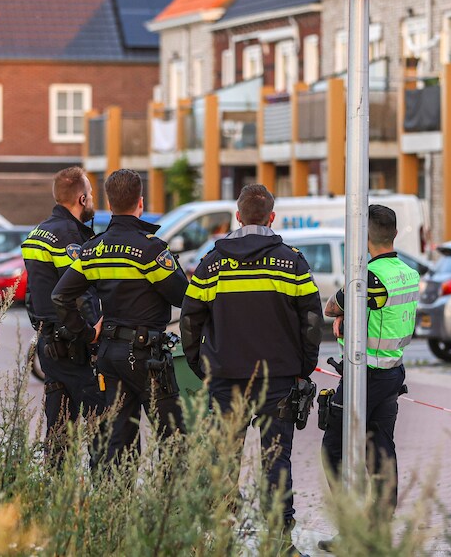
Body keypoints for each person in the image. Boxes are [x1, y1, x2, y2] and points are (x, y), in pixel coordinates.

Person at [180, 184, 323, 543]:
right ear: (272, 218)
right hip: (279, 378)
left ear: (238, 216)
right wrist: (303, 367)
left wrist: (202, 366)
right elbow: (312, 320)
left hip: (226, 378)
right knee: (277, 461)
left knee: (224, 460)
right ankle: (278, 542)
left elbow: (189, 319)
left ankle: (223, 540)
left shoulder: (212, 263)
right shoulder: (292, 262)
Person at [52, 169, 189, 463]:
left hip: (109, 356)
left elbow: (60, 296)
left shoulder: (92, 250)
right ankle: (172, 508)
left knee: (119, 444)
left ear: (109, 203)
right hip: (146, 356)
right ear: (140, 202)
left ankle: (115, 505)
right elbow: (184, 298)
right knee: (174, 441)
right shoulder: (151, 250)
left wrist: (87, 332)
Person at [319, 204, 420, 549]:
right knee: (381, 450)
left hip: (366, 375)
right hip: (392, 372)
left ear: (365, 236)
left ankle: (351, 530)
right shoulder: (407, 272)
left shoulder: (371, 279)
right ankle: (378, 529)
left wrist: (343, 319)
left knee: (334, 448)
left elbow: (331, 307)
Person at [23, 166, 106, 468]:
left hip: (50, 345)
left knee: (58, 428)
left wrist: (45, 329)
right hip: (75, 348)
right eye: (92, 196)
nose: (94, 201)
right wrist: (89, 334)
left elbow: (33, 293)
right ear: (82, 199)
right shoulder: (70, 237)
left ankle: (56, 497)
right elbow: (77, 292)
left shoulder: (38, 233)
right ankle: (106, 498)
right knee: (101, 426)